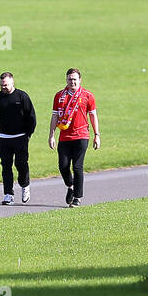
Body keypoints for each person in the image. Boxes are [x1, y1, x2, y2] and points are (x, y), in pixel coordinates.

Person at [48, 68, 101, 206]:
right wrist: (51, 135)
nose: (72, 81)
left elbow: (93, 115)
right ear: (66, 80)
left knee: (77, 167)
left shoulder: (88, 96)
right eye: (70, 79)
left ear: (80, 80)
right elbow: (54, 116)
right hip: (64, 137)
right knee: (63, 166)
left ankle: (77, 197)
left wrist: (97, 135)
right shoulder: (59, 96)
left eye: (74, 79)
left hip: (81, 136)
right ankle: (70, 186)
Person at [0, 71, 36, 204]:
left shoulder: (22, 96)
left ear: (12, 82)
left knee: (21, 164)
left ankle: (24, 185)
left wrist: (28, 134)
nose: (3, 87)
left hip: (20, 137)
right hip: (4, 137)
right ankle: (8, 194)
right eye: (1, 85)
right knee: (6, 166)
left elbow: (31, 117)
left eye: (6, 85)